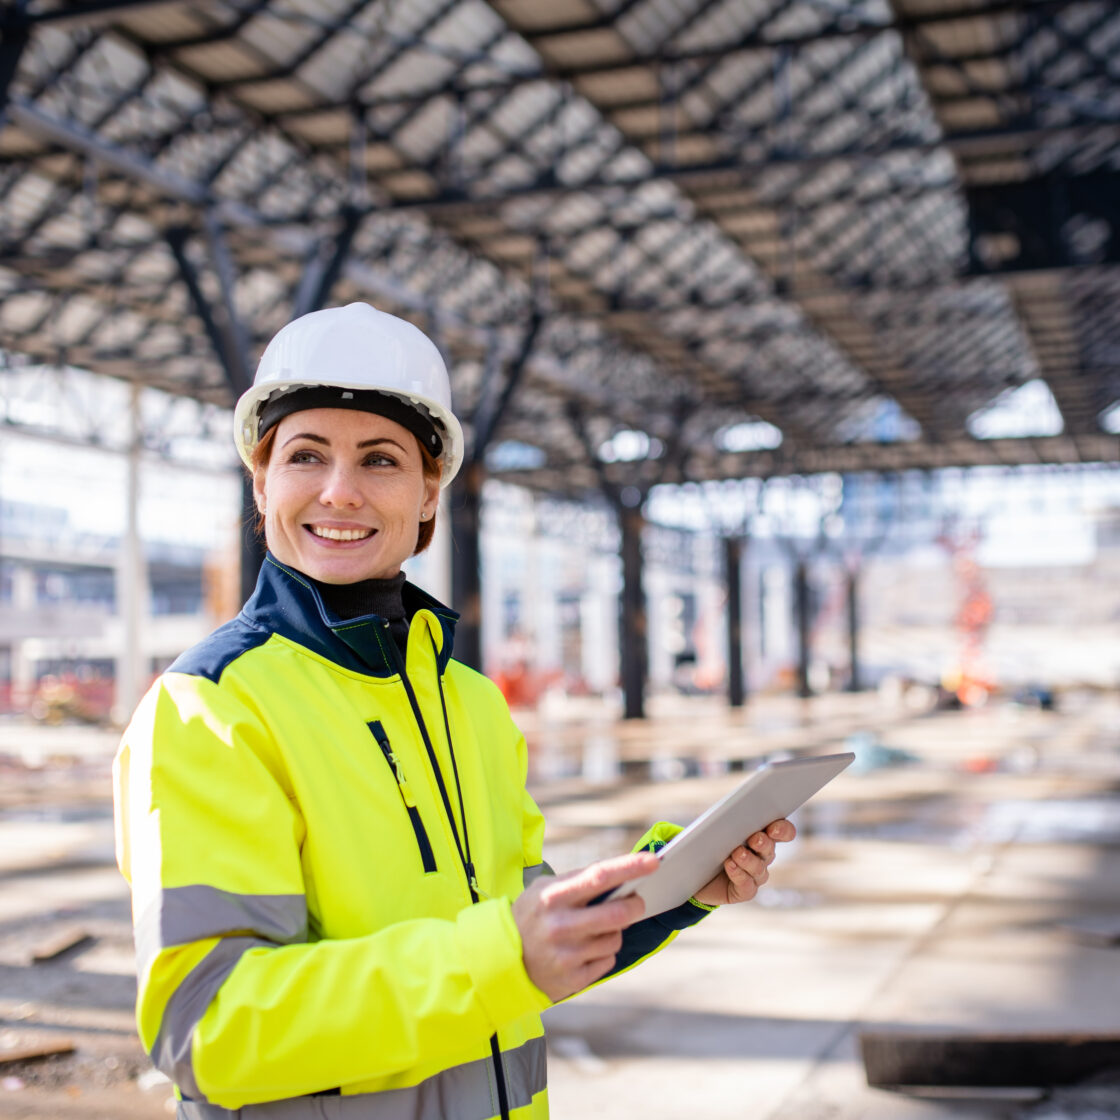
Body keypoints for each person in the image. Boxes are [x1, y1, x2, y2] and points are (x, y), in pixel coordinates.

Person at [113, 302, 796, 1120]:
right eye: (305, 456)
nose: (340, 491)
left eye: (379, 460)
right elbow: (210, 1030)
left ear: (429, 491)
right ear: (262, 483)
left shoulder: (470, 704)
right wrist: (502, 956)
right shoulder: (210, 710)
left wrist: (671, 889)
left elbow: (525, 930)